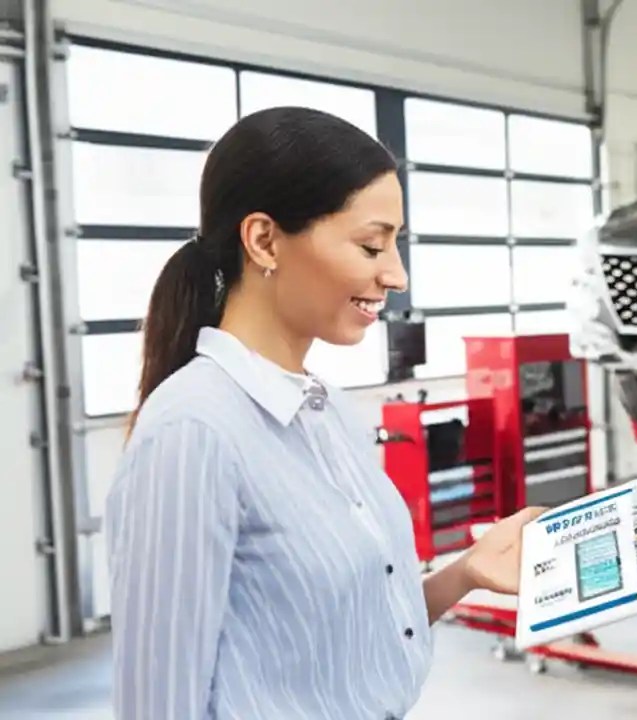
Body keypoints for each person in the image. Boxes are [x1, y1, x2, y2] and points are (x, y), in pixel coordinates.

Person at [104, 106, 543, 720]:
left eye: (395, 243)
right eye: (371, 245)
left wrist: (467, 571)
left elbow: (342, 637)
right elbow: (157, 704)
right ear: (264, 240)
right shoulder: (193, 432)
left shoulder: (326, 410)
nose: (396, 274)